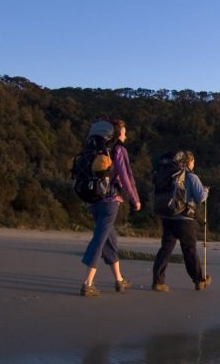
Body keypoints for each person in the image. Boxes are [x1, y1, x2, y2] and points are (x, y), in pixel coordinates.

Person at [80, 117, 141, 297]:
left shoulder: (94, 149)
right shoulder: (118, 150)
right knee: (100, 239)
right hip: (109, 201)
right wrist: (135, 199)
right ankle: (87, 283)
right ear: (116, 134)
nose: (126, 136)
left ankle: (119, 280)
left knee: (109, 240)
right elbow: (126, 176)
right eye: (124, 132)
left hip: (93, 201)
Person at [151, 150, 210, 292]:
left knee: (165, 249)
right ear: (189, 162)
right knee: (189, 250)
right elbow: (200, 197)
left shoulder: (170, 175)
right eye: (193, 161)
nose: (194, 164)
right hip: (184, 219)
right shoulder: (191, 176)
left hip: (168, 216)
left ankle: (158, 281)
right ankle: (198, 280)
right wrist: (206, 191)